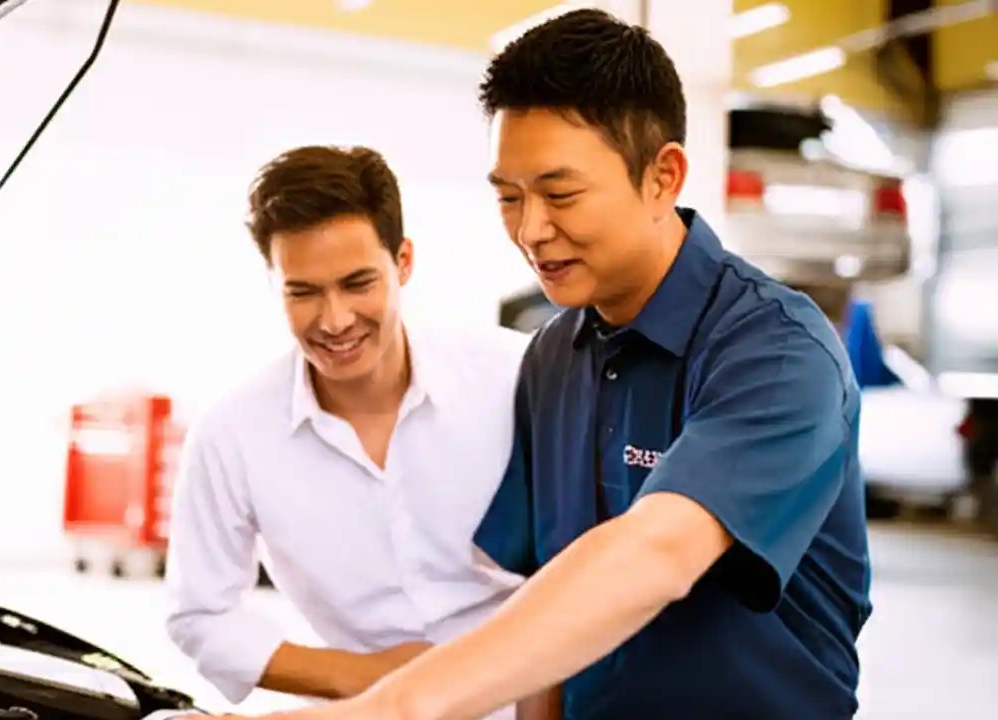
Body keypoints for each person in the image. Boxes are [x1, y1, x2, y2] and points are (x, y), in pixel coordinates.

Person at [249, 9, 873, 720]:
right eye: (508, 198)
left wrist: (384, 709)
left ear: (663, 177)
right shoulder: (553, 352)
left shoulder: (777, 351)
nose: (530, 230)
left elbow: (656, 553)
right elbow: (548, 599)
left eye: (560, 194)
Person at [163, 145, 544, 719]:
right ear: (274, 283)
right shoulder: (232, 435)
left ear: (404, 262)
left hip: (534, 699)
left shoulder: (519, 378)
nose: (335, 319)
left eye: (357, 283)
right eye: (303, 292)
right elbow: (200, 615)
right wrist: (362, 676)